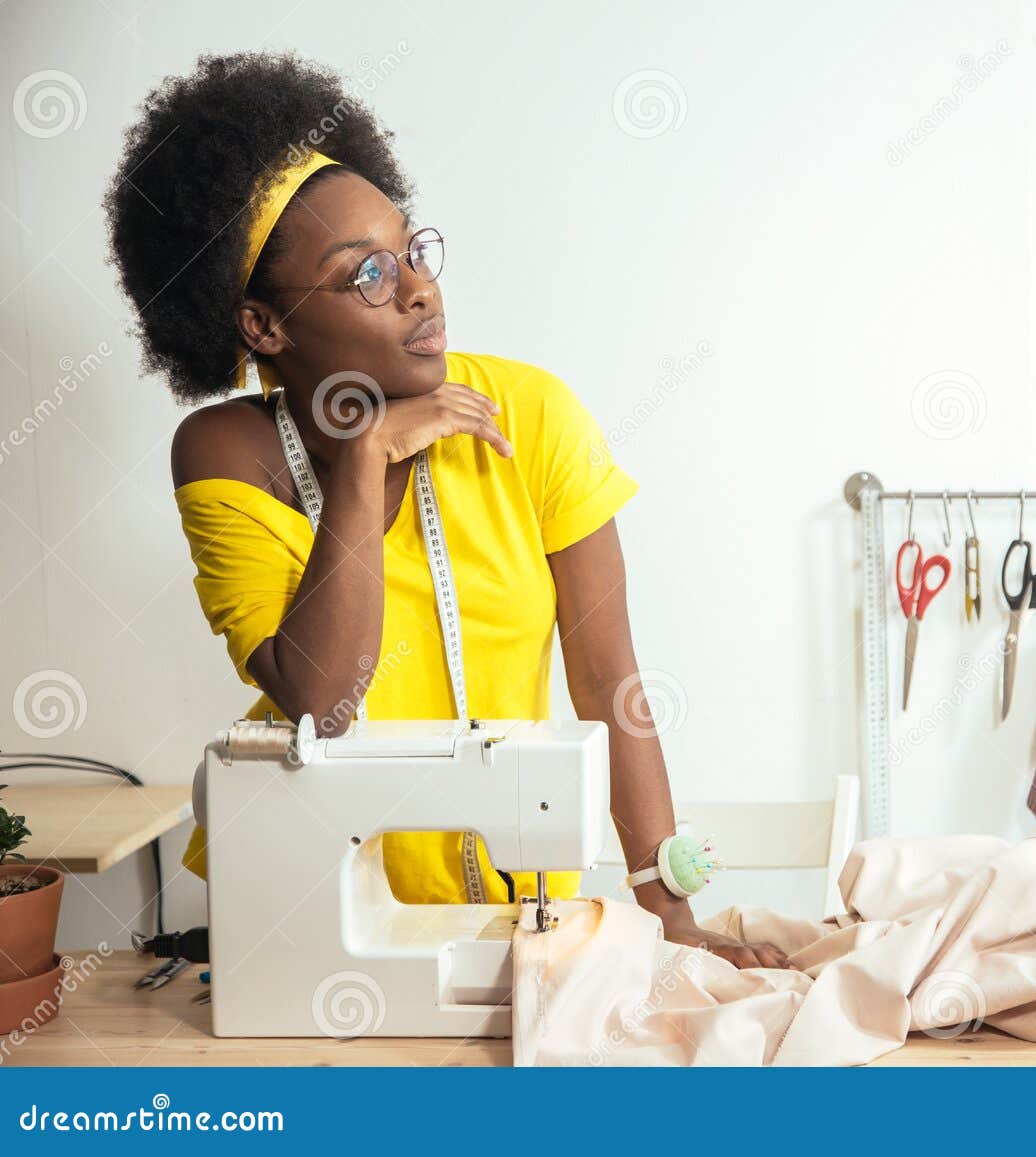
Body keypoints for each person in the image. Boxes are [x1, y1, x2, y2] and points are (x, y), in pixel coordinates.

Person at [103, 50, 792, 970]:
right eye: (368, 275)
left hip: (515, 919)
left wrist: (671, 914)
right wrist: (364, 456)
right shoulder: (228, 453)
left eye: (413, 252)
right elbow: (322, 703)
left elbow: (605, 676)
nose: (421, 288)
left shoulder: (529, 415)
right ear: (265, 327)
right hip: (307, 915)